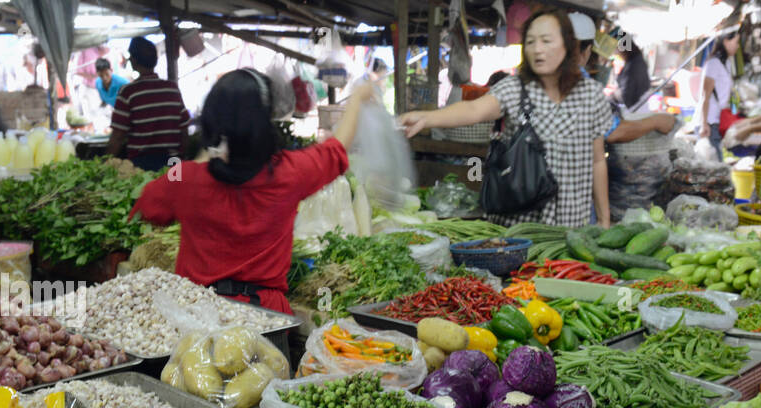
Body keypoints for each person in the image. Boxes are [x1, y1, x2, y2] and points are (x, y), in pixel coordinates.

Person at [130, 73, 375, 315]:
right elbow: (336, 149)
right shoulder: (290, 173)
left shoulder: (184, 178)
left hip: (198, 315)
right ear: (265, 121)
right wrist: (356, 100)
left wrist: (206, 151)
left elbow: (148, 207)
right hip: (265, 318)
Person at [399, 8, 616, 227]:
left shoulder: (591, 95)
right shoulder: (515, 88)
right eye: (530, 42)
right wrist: (427, 118)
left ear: (568, 45)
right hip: (517, 227)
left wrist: (604, 219)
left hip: (570, 227)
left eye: (546, 41)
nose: (537, 49)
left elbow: (597, 160)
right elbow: (474, 110)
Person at [107, 37, 190, 172]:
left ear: (133, 60)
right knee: (173, 192)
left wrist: (105, 163)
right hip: (174, 163)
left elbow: (117, 136)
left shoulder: (128, 92)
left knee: (144, 192)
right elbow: (184, 132)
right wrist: (182, 158)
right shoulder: (172, 88)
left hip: (141, 165)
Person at [699, 34, 740, 154]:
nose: (737, 47)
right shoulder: (713, 64)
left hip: (719, 120)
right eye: (736, 42)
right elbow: (705, 96)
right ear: (726, 42)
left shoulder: (726, 63)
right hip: (710, 122)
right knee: (715, 162)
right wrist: (704, 123)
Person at [615, 42, 652, 112]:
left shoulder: (632, 66)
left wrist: (614, 96)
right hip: (640, 105)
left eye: (618, 50)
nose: (618, 53)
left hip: (635, 108)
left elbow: (626, 94)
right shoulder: (638, 61)